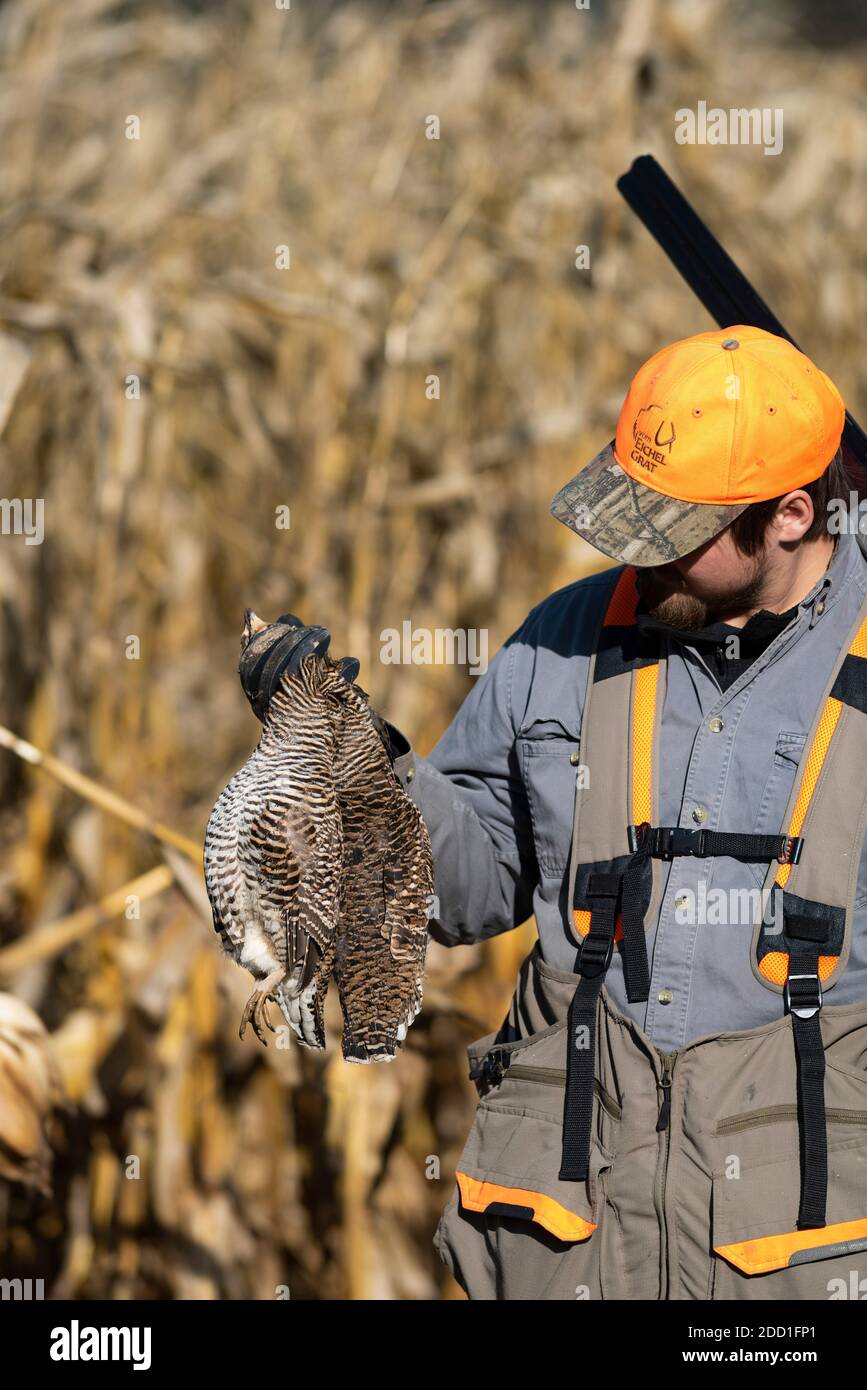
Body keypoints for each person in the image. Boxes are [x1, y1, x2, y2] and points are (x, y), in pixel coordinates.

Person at [385, 325, 867, 1300]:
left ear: (790, 517)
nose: (637, 555)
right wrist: (365, 765)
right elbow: (469, 891)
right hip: (572, 1238)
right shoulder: (562, 642)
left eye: (672, 530)